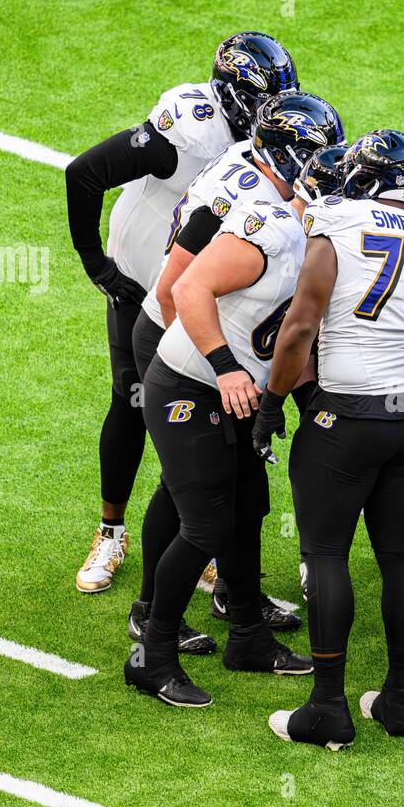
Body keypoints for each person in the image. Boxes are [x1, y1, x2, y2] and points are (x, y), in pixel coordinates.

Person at [64, 31, 297, 595]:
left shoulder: (256, 147)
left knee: (194, 417)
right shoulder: (188, 130)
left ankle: (196, 538)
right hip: (149, 280)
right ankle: (112, 530)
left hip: (207, 286)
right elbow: (84, 172)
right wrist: (97, 264)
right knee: (137, 400)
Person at [257, 130, 404, 750]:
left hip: (347, 414)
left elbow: (299, 328)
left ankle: (327, 707)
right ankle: (400, 697)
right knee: (398, 553)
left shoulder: (338, 221)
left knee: (325, 554)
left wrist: (271, 404)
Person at [125, 92, 343, 645]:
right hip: (181, 334)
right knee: (188, 488)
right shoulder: (244, 197)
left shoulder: (278, 195)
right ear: (291, 155)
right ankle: (151, 612)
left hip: (226, 338)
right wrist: (220, 365)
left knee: (243, 489)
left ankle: (237, 599)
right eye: (316, 156)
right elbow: (178, 288)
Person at [122, 189, 321, 707]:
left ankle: (248, 635)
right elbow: (188, 287)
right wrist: (225, 365)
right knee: (206, 524)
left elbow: (298, 337)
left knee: (251, 503)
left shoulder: (324, 243)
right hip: (189, 384)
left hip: (238, 391)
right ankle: (153, 654)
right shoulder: (270, 233)